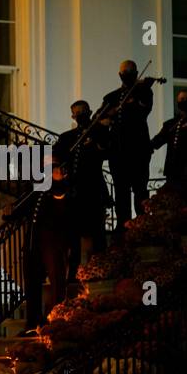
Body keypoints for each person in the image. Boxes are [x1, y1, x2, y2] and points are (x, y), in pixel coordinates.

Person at [99, 60, 160, 227]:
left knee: (140, 190)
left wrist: (143, 87)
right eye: (124, 72)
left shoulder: (143, 91)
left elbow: (144, 109)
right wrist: (108, 117)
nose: (127, 75)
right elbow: (98, 117)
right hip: (117, 152)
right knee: (121, 191)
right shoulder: (111, 97)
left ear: (136, 73)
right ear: (120, 75)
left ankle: (141, 226)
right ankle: (122, 225)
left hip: (138, 150)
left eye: (130, 72)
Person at [54, 100, 111, 263]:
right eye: (76, 113)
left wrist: (99, 132)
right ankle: (74, 270)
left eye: (83, 111)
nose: (80, 115)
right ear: (72, 116)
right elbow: (56, 156)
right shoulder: (67, 137)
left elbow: (106, 150)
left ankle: (100, 266)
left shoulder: (98, 131)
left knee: (97, 232)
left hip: (94, 189)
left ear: (90, 112)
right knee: (73, 233)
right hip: (74, 191)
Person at [23, 174, 76, 329]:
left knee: (57, 279)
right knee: (32, 281)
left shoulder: (63, 185)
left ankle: (57, 317)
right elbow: (30, 207)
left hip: (54, 241)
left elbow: (60, 197)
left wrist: (57, 181)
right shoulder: (39, 187)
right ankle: (33, 321)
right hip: (34, 242)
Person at [151, 89, 187, 189]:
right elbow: (158, 140)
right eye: (182, 99)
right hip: (173, 170)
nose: (185, 101)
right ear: (177, 102)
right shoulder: (171, 124)